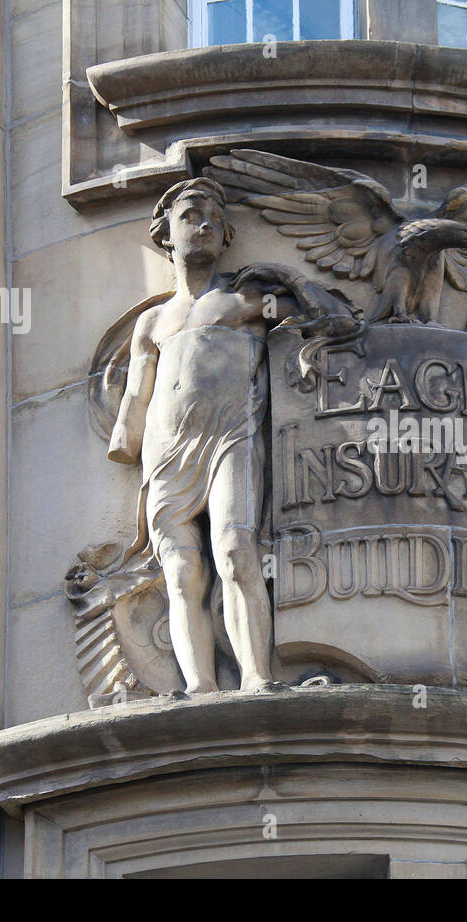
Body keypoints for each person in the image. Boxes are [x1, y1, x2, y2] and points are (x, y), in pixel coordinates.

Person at [108, 176, 353, 693]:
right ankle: (199, 685)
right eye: (191, 215)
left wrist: (285, 274)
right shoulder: (152, 322)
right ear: (165, 234)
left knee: (237, 548)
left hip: (230, 438)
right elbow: (137, 394)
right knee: (180, 570)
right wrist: (125, 442)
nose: (203, 225)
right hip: (165, 452)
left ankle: (257, 676)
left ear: (226, 237)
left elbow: (333, 318)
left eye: (215, 220)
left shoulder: (243, 302)